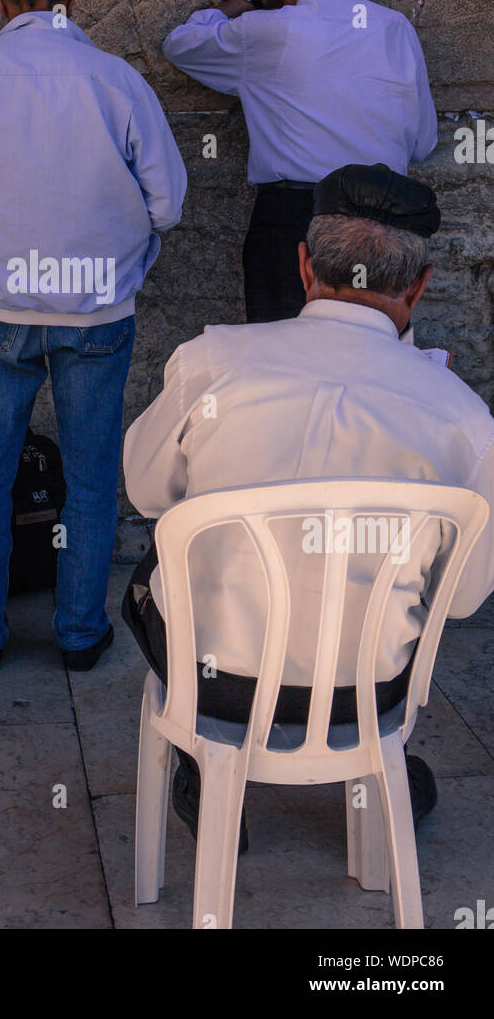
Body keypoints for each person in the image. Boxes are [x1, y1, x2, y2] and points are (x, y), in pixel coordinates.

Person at [122, 163, 494, 845]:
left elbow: (147, 491)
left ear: (302, 265)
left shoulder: (212, 360)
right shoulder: (464, 421)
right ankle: (378, 771)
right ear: (419, 285)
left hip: (216, 683)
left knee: (160, 565)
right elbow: (463, 598)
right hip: (368, 691)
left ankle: (209, 768)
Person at [0, 0, 187, 670]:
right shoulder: (118, 80)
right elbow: (169, 202)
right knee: (93, 479)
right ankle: (78, 632)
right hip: (96, 313)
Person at [162, 0, 438, 323]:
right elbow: (423, 143)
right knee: (372, 348)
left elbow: (181, 42)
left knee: (280, 349)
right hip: (383, 220)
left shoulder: (268, 29)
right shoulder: (395, 28)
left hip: (295, 216)